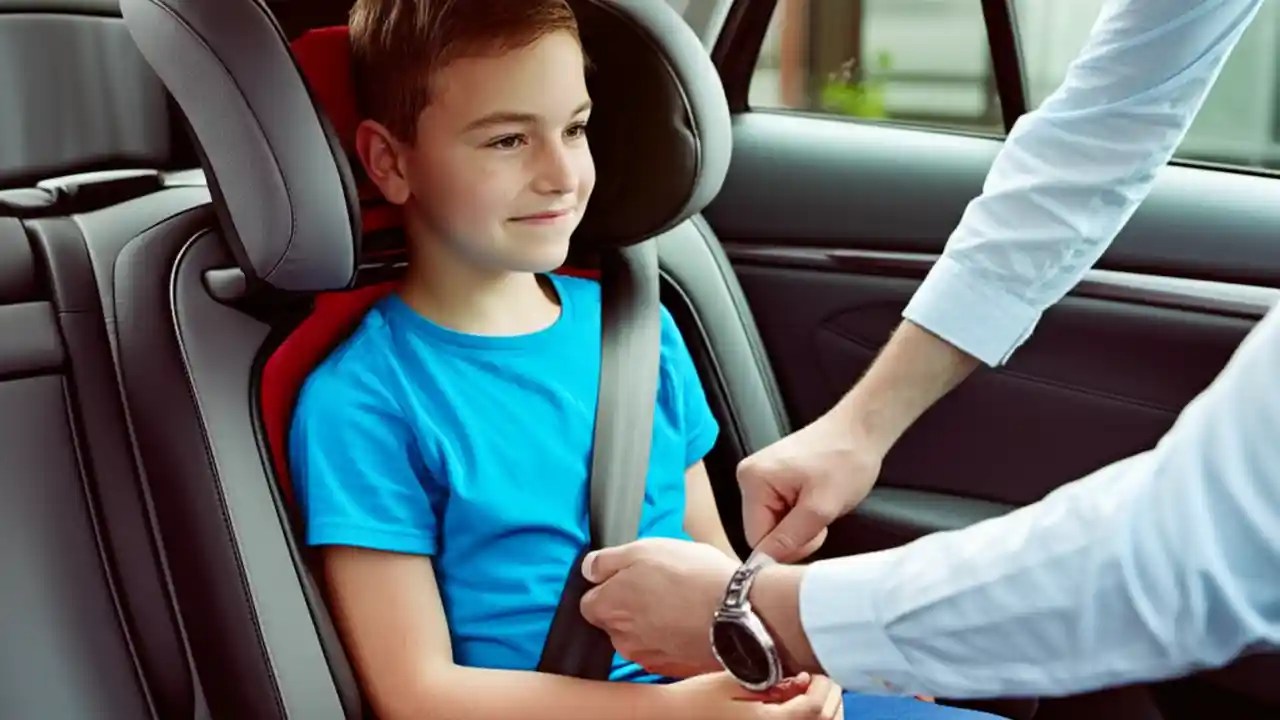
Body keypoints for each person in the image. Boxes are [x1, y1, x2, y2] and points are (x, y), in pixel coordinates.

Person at [287, 1, 999, 718]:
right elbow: (417, 694)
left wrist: (792, 656)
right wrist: (680, 714)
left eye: (574, 128)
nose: (562, 173)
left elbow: (711, 556)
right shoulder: (365, 401)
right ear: (389, 161)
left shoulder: (637, 330)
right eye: (507, 140)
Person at [578, 0, 1280, 703]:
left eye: (578, 129)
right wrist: (859, 428)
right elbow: (1099, 135)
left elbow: (1194, 550)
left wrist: (777, 625)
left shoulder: (647, 342)